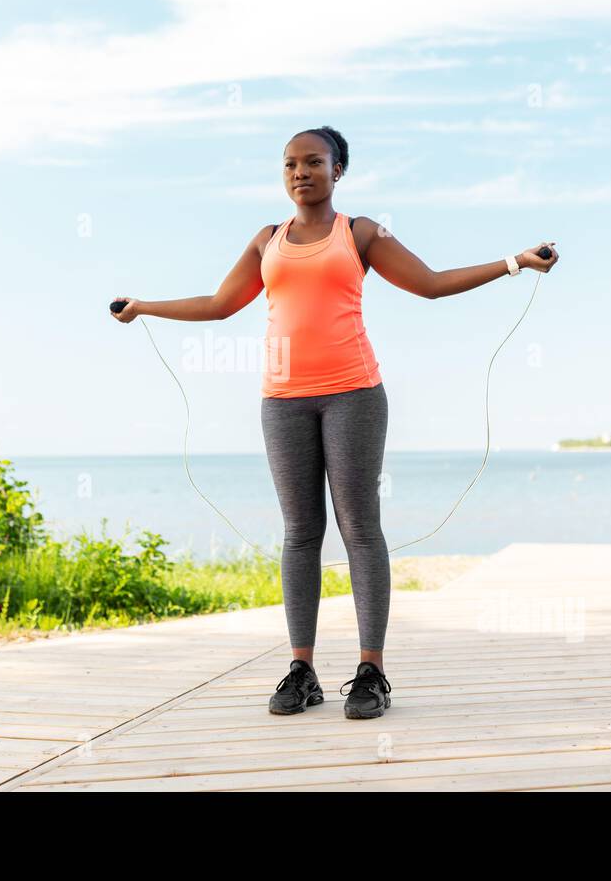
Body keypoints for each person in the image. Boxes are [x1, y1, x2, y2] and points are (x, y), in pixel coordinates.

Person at [110, 126, 558, 719]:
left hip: (354, 396)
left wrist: (514, 262)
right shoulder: (268, 240)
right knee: (300, 533)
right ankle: (303, 671)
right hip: (283, 400)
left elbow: (429, 284)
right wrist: (145, 306)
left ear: (337, 169)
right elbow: (219, 304)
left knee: (359, 528)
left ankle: (371, 671)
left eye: (314, 161)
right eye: (290, 163)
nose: (301, 172)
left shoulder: (360, 233)